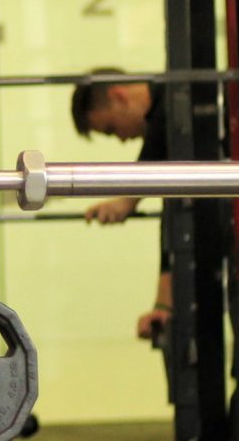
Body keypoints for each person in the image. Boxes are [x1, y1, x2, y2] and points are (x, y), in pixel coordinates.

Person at [70, 74, 174, 341]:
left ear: (119, 95)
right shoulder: (167, 134)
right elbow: (176, 212)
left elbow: (164, 119)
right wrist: (163, 304)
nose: (121, 139)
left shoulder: (175, 99)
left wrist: (128, 200)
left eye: (111, 129)